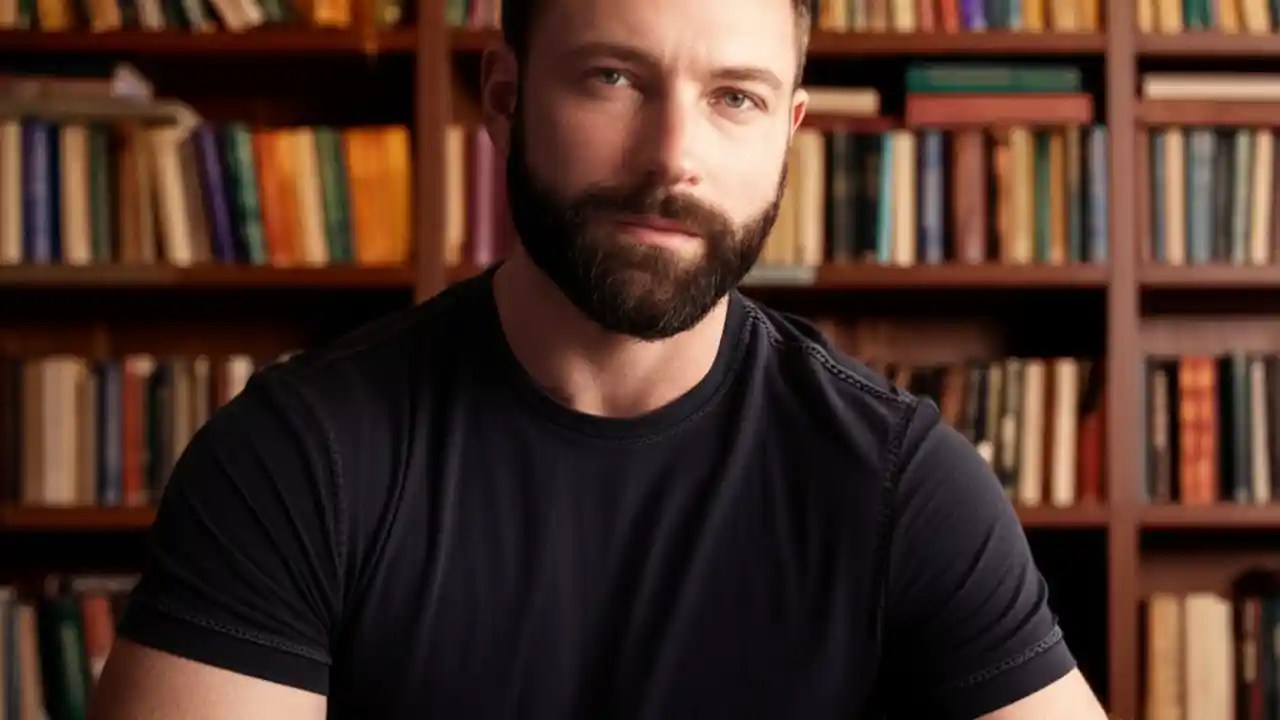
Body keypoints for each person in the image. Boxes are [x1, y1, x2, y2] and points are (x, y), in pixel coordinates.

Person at [87, 0, 1110, 717]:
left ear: (790, 133)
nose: (672, 156)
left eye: (735, 98)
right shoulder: (298, 458)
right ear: (503, 95)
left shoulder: (898, 483)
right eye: (614, 77)